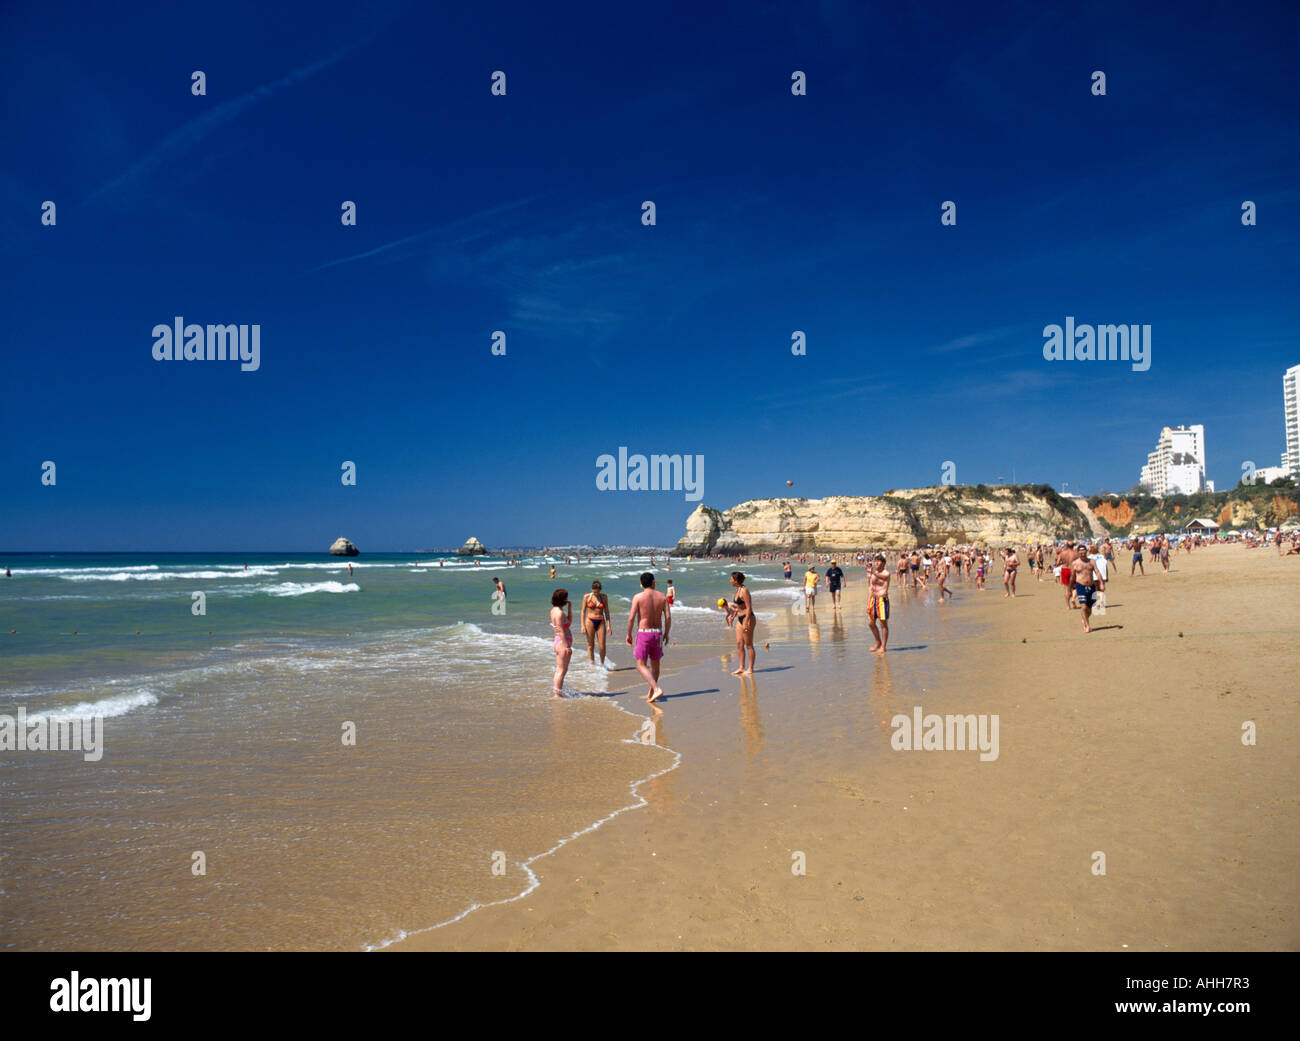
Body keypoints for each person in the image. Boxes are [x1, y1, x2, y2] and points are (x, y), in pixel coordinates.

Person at [627, 572, 670, 703]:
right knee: (655, 665)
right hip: (657, 633)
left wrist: (628, 634)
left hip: (644, 633)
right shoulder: (662, 597)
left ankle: (656, 689)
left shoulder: (638, 597)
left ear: (641, 584)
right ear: (653, 582)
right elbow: (668, 617)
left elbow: (631, 617)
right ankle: (652, 692)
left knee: (640, 665)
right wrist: (666, 633)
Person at [724, 571, 756, 675]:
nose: (730, 581)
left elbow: (749, 607)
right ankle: (741, 667)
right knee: (739, 644)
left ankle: (750, 668)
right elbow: (739, 607)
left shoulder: (744, 590)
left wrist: (746, 621)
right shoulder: (737, 590)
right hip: (740, 618)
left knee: (749, 645)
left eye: (731, 579)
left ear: (736, 580)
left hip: (748, 618)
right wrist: (732, 616)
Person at [549, 589, 573, 698]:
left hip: (558, 641)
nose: (567, 599)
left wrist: (569, 608)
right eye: (566, 598)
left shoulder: (554, 610)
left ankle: (558, 692)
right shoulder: (559, 613)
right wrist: (566, 646)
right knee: (561, 671)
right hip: (562, 643)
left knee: (561, 670)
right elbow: (561, 630)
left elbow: (568, 622)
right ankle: (557, 694)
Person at [866, 553, 891, 653]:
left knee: (883, 624)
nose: (877, 563)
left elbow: (883, 578)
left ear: (884, 563)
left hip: (882, 600)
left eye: (879, 561)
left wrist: (871, 572)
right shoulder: (873, 574)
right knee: (871, 623)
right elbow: (871, 589)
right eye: (876, 561)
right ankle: (878, 642)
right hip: (874, 600)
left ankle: (883, 646)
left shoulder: (886, 573)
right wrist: (868, 604)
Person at [582, 581, 610, 666]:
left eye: (597, 592)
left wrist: (609, 626)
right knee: (591, 644)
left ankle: (602, 664)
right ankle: (592, 663)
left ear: (600, 590)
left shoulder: (604, 597)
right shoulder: (587, 597)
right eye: (594, 592)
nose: (596, 593)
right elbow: (583, 611)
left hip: (601, 621)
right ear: (591, 589)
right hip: (589, 620)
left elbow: (607, 612)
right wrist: (582, 625)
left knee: (602, 646)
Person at [1072, 553, 1099, 633]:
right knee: (1083, 607)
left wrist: (1100, 582)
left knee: (1090, 609)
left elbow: (1097, 572)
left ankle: (1085, 619)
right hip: (1080, 586)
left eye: (1084, 552)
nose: (1082, 553)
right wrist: (1072, 587)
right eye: (1081, 552)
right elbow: (1072, 576)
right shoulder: (1075, 563)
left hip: (1091, 586)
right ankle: (1087, 626)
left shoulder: (1091, 562)